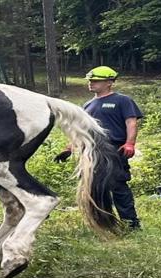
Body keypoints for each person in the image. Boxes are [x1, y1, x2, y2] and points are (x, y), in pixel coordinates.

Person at [57, 65, 143, 231]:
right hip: (91, 152)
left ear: (109, 82)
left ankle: (131, 224)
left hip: (115, 149)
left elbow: (131, 122)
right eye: (90, 80)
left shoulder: (122, 100)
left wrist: (130, 143)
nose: (91, 83)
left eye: (96, 81)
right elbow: (81, 129)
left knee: (118, 185)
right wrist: (69, 148)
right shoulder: (88, 105)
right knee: (95, 187)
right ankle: (103, 224)